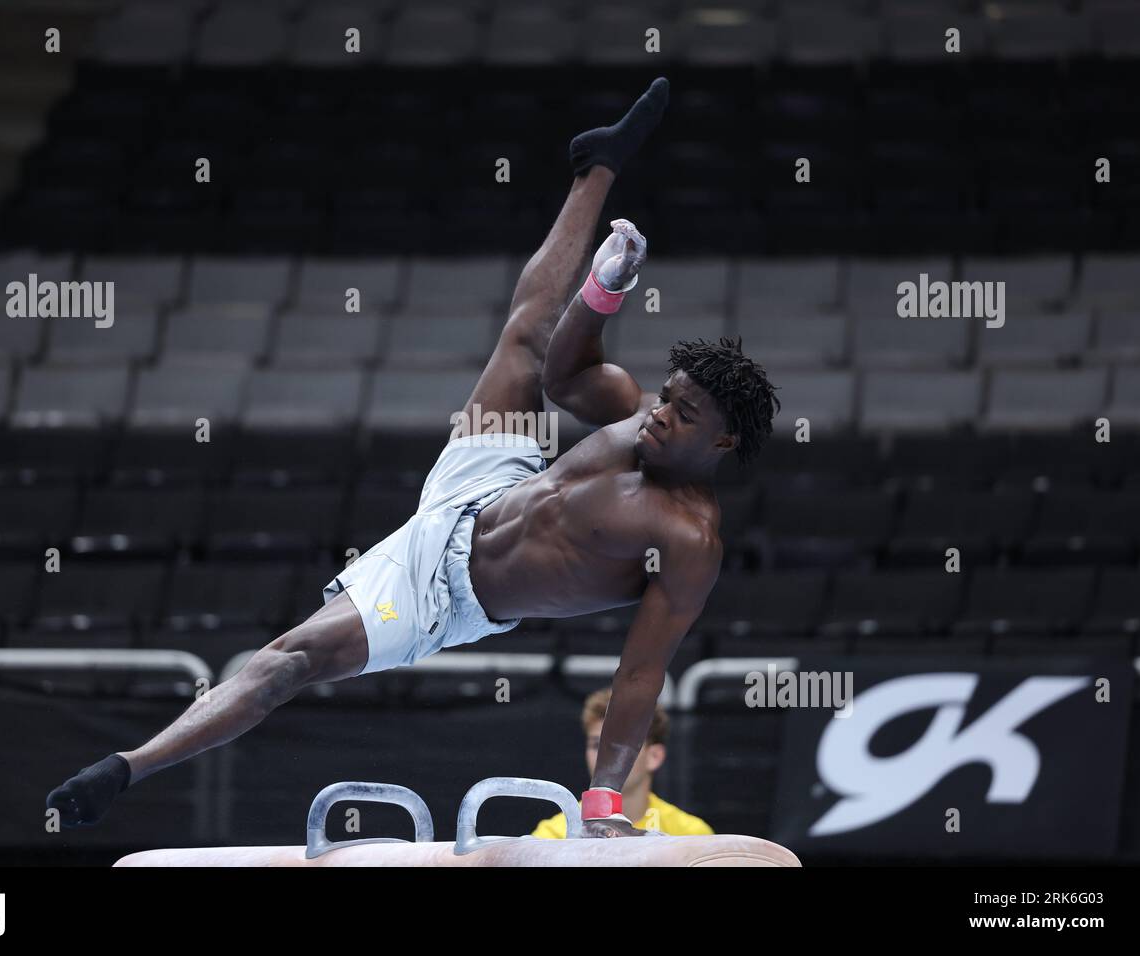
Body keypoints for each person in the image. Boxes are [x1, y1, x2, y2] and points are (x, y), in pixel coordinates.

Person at [48, 76, 781, 838]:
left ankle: (123, 767)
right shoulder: (637, 419)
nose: (659, 415)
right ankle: (597, 165)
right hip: (490, 482)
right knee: (528, 333)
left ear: (723, 442)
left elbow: (639, 673)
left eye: (682, 414)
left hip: (443, 590)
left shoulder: (690, 541)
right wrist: (603, 289)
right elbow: (564, 374)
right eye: (664, 396)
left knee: (291, 660)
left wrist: (600, 805)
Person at [531, 687, 713, 838]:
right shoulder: (553, 835)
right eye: (596, 745)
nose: (605, 757)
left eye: (619, 747)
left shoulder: (691, 835)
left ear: (654, 756)